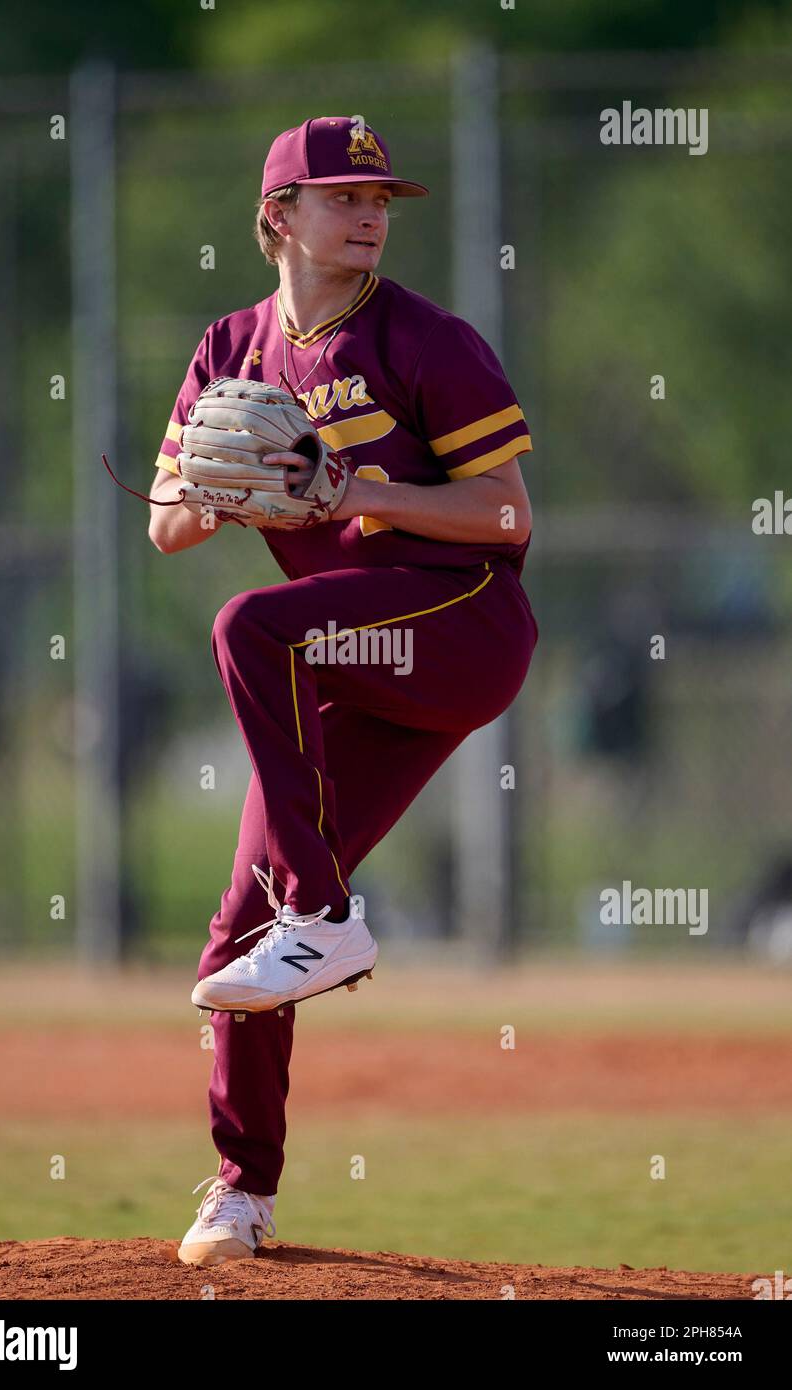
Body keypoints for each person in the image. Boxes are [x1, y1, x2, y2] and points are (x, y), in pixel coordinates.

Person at [148, 114, 538, 1267]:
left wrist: (357, 491)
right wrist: (221, 490)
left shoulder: (426, 339)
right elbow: (170, 523)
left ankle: (325, 919)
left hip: (458, 623)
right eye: (342, 195)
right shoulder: (229, 348)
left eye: (380, 197)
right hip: (338, 655)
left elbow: (509, 515)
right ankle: (240, 1192)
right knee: (239, 927)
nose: (370, 213)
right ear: (278, 219)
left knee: (245, 624)